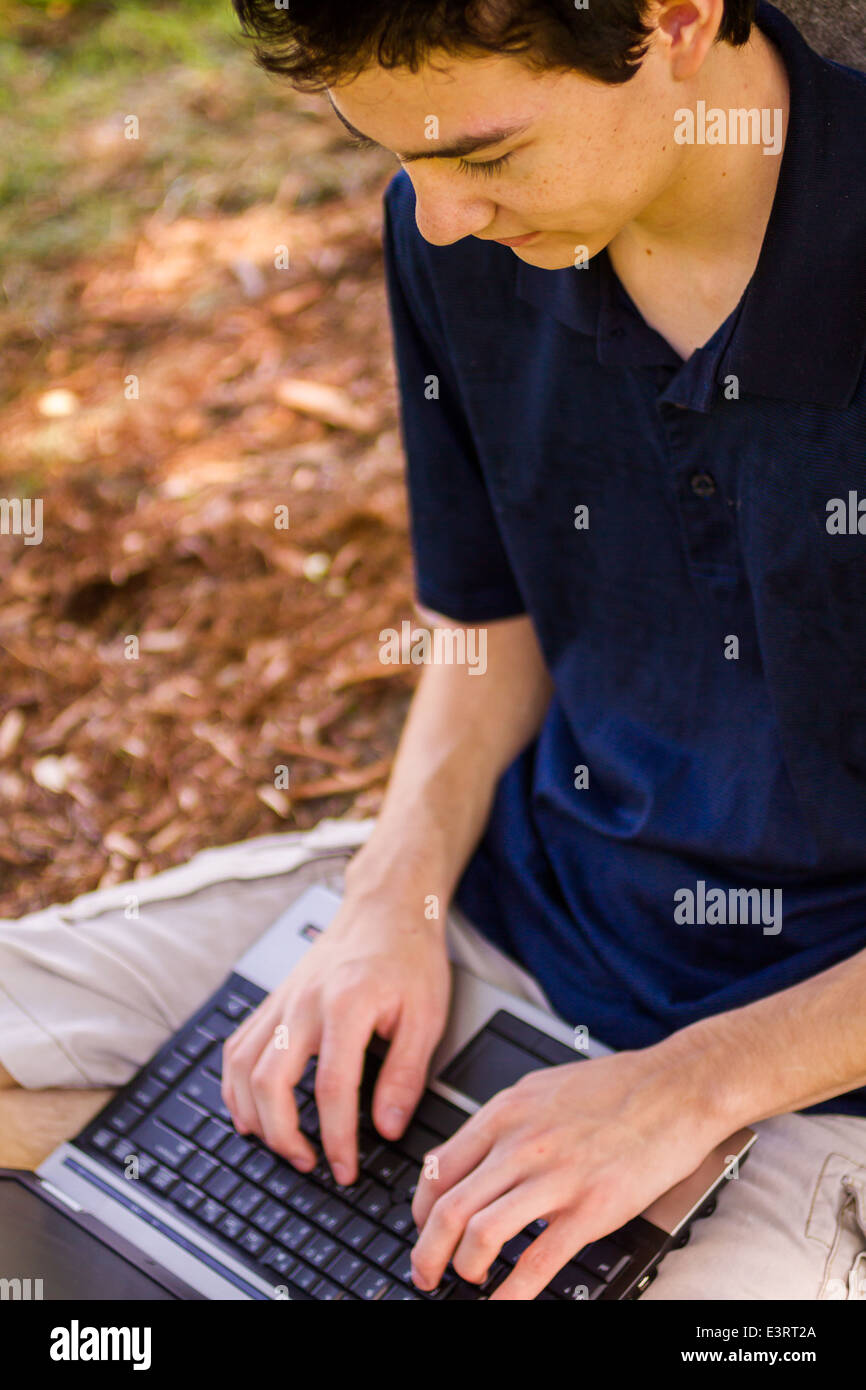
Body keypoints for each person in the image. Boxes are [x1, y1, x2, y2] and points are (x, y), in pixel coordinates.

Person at [2, 0, 866, 1301]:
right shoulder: (451, 235)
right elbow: (487, 621)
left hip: (805, 1088)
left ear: (675, 19)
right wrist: (385, 904)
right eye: (387, 151)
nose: (437, 214)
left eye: (483, 153)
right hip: (500, 903)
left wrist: (689, 1086)